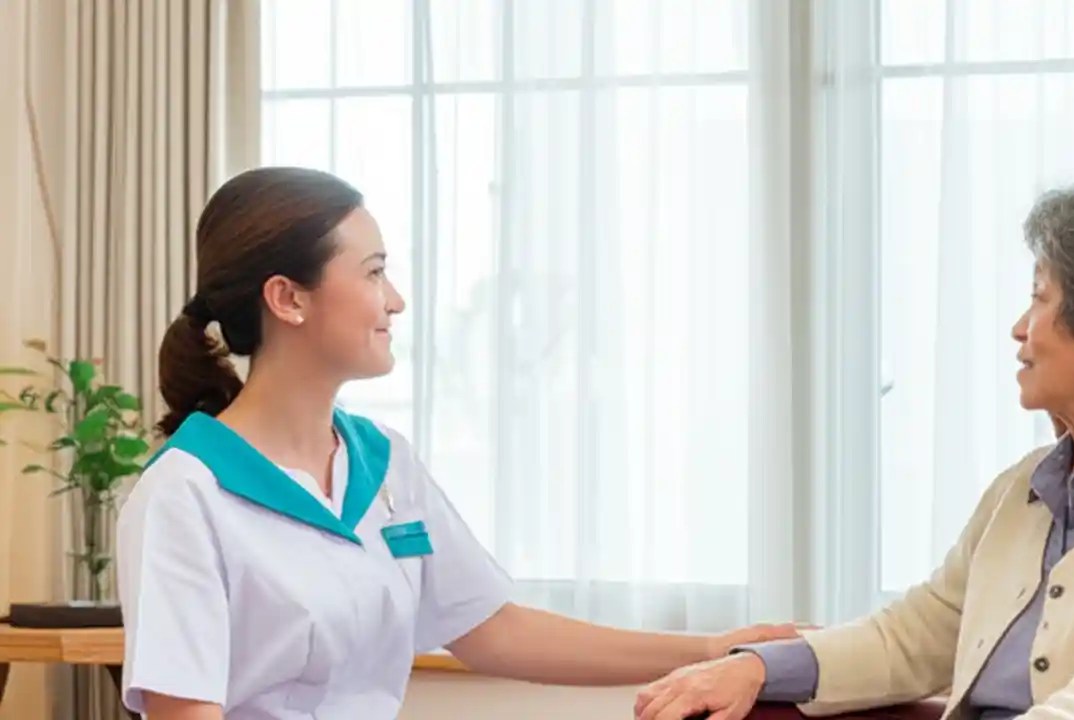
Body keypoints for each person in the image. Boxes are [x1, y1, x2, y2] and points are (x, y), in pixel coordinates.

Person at [116, 166, 798, 720]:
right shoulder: (186, 493)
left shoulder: (382, 463)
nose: (396, 301)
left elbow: (493, 630)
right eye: (374, 272)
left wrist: (713, 647)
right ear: (288, 298)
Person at [633, 178, 1074, 720]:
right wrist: (754, 669)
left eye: (1040, 297)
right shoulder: (1026, 486)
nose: (1020, 329)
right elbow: (918, 634)